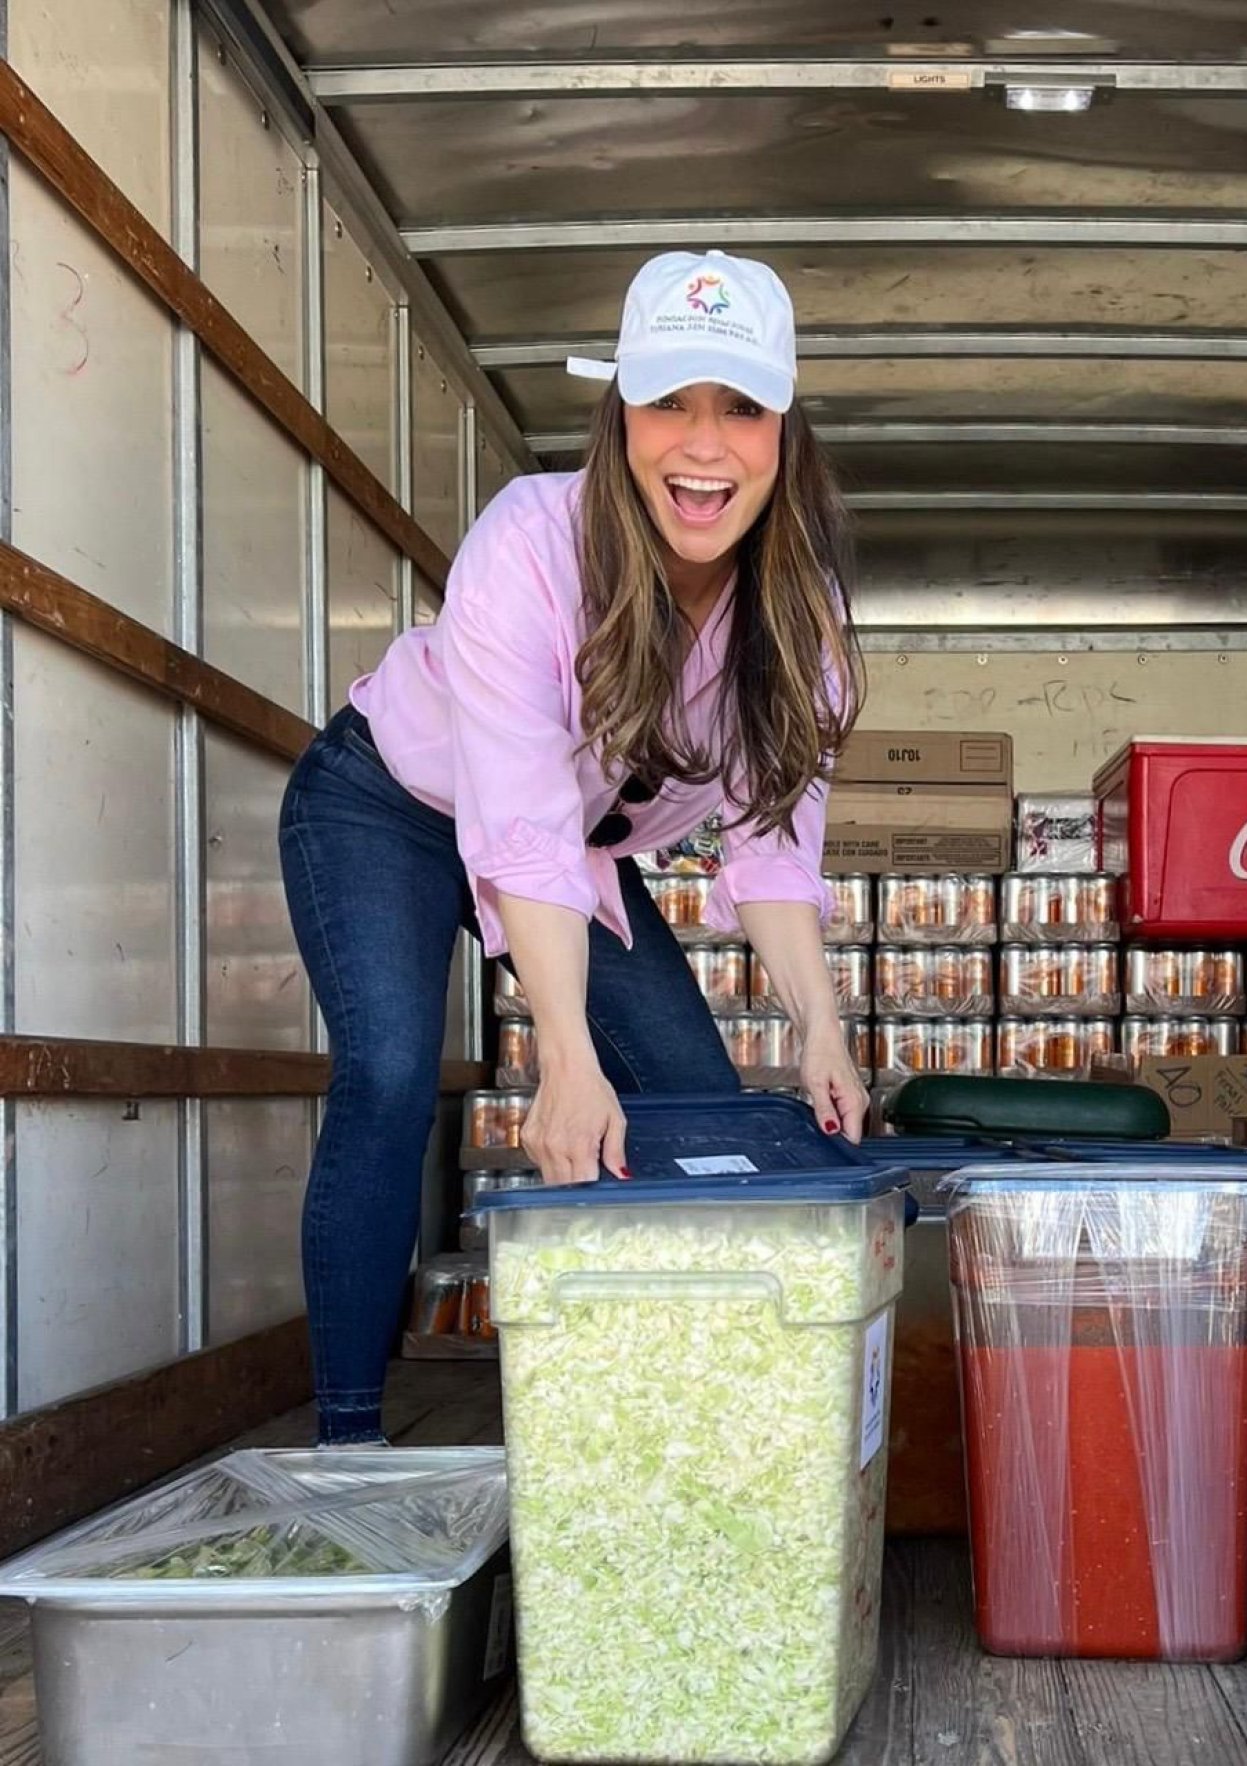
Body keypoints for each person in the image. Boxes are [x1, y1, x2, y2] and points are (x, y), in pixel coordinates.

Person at [279, 249, 867, 1445]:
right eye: (668, 403)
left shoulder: (802, 626)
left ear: (786, 430)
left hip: (576, 852)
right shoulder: (532, 542)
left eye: (741, 408)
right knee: (391, 1073)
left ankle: (656, 1424)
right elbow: (517, 823)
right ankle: (347, 1440)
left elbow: (767, 853)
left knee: (696, 1099)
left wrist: (820, 1026)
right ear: (619, 415)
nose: (702, 448)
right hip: (386, 801)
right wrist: (561, 1054)